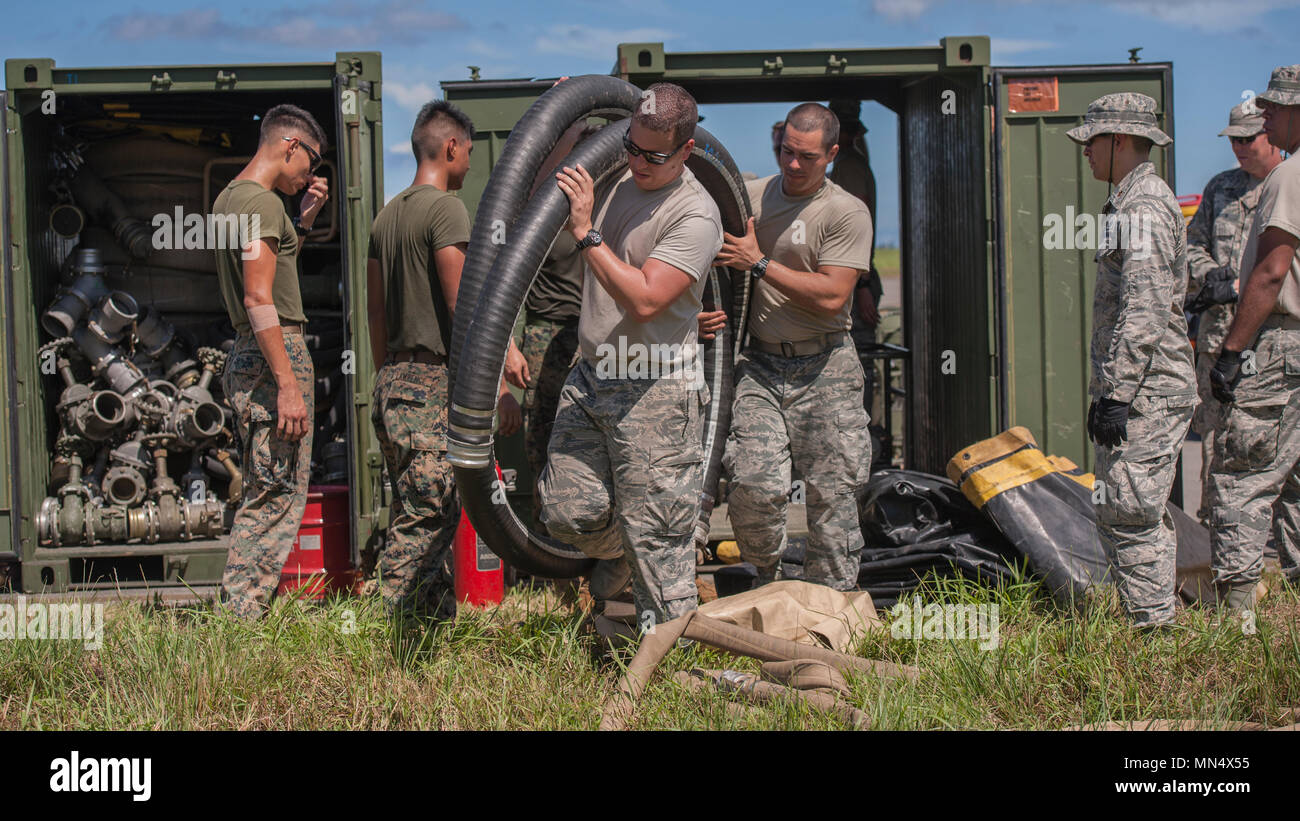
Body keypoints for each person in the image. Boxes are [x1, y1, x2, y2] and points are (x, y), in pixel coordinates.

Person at [540, 82, 723, 626]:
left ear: (686, 151)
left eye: (654, 155)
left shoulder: (695, 214)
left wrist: (587, 234)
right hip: (593, 373)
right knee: (565, 514)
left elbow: (645, 299)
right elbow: (549, 178)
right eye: (633, 148)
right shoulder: (622, 172)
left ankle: (667, 672)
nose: (639, 161)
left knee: (658, 549)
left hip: (656, 388)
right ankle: (635, 536)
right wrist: (562, 120)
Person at [366, 100, 525, 621]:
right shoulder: (445, 209)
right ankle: (383, 637)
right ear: (451, 146)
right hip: (430, 386)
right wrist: (502, 374)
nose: (470, 165)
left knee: (414, 509)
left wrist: (388, 378)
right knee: (429, 516)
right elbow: (466, 305)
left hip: (392, 382)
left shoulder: (386, 217)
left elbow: (375, 320)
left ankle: (429, 636)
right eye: (469, 153)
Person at [718, 102, 874, 592]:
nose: (792, 164)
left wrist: (759, 262)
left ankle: (833, 610)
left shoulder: (845, 211)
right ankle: (768, 584)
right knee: (753, 484)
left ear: (831, 153)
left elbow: (832, 295)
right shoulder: (753, 197)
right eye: (786, 150)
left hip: (826, 367)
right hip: (762, 365)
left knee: (834, 498)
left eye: (806, 157)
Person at [1066, 93, 1196, 629]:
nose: (1086, 153)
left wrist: (1117, 394)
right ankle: (1151, 624)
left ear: (1119, 140)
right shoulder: (1130, 202)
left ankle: (1155, 637)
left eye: (1092, 142)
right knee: (1126, 509)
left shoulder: (1142, 207)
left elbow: (1142, 309)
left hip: (1148, 390)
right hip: (1142, 387)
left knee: (1130, 512)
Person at [213, 104, 329, 618]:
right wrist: (287, 383)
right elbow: (260, 298)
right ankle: (241, 619)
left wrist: (301, 221)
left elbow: (272, 271)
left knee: (263, 486)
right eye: (312, 160)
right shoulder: (260, 205)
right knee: (277, 493)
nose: (312, 173)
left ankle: (242, 612)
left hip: (249, 353)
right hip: (271, 354)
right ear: (290, 146)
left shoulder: (231, 200)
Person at [1207, 65, 1300, 610]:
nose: (1263, 116)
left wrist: (1233, 350)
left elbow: (1270, 272)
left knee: (1242, 478)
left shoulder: (1289, 177)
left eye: (1274, 108)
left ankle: (1236, 621)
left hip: (1282, 344)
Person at [1184, 102, 1283, 525]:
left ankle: (1275, 550)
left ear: (1271, 135)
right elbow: (1189, 249)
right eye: (1234, 140)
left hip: (1276, 340)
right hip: (1218, 340)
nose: (1240, 148)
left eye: (1248, 138)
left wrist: (1253, 286)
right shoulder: (1221, 187)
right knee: (1216, 440)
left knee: (1275, 445)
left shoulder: (1289, 184)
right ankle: (1214, 538)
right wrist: (1216, 278)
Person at [828, 99, 884, 422]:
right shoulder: (852, 163)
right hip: (856, 275)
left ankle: (863, 433)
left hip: (855, 276)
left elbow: (857, 225)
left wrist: (861, 283)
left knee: (857, 362)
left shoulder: (849, 165)